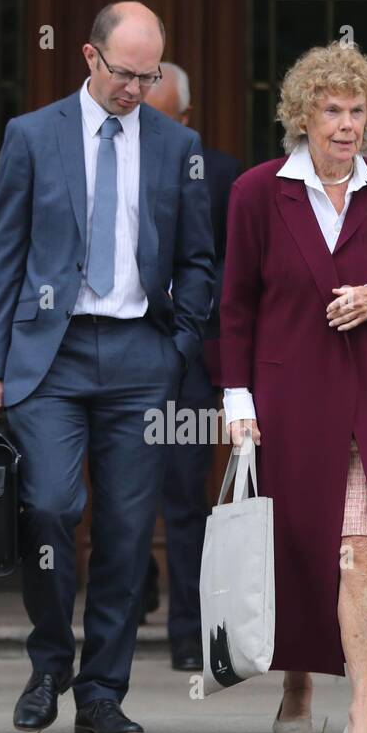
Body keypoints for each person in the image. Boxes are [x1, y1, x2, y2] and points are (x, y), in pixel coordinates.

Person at [0, 3, 213, 733]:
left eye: (148, 76)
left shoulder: (180, 147)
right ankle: (51, 661)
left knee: (126, 529)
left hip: (142, 357)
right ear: (89, 56)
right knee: (47, 505)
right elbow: (5, 256)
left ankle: (103, 691)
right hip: (50, 354)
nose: (135, 89)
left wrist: (177, 348)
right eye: (124, 72)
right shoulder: (32, 135)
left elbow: (200, 261)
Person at [219, 42, 367, 733]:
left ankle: (364, 717)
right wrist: (236, 398)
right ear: (302, 116)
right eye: (331, 110)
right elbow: (236, 303)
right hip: (283, 398)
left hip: (363, 400)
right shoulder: (257, 192)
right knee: (297, 543)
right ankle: (297, 678)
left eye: (357, 111)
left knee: (354, 546)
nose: (346, 126)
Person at [141, 62, 242, 671]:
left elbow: (234, 268)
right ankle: (125, 610)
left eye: (162, 115)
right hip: (114, 358)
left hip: (189, 362)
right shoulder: (100, 166)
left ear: (185, 120)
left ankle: (187, 629)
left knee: (184, 498)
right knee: (117, 497)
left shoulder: (223, 175)